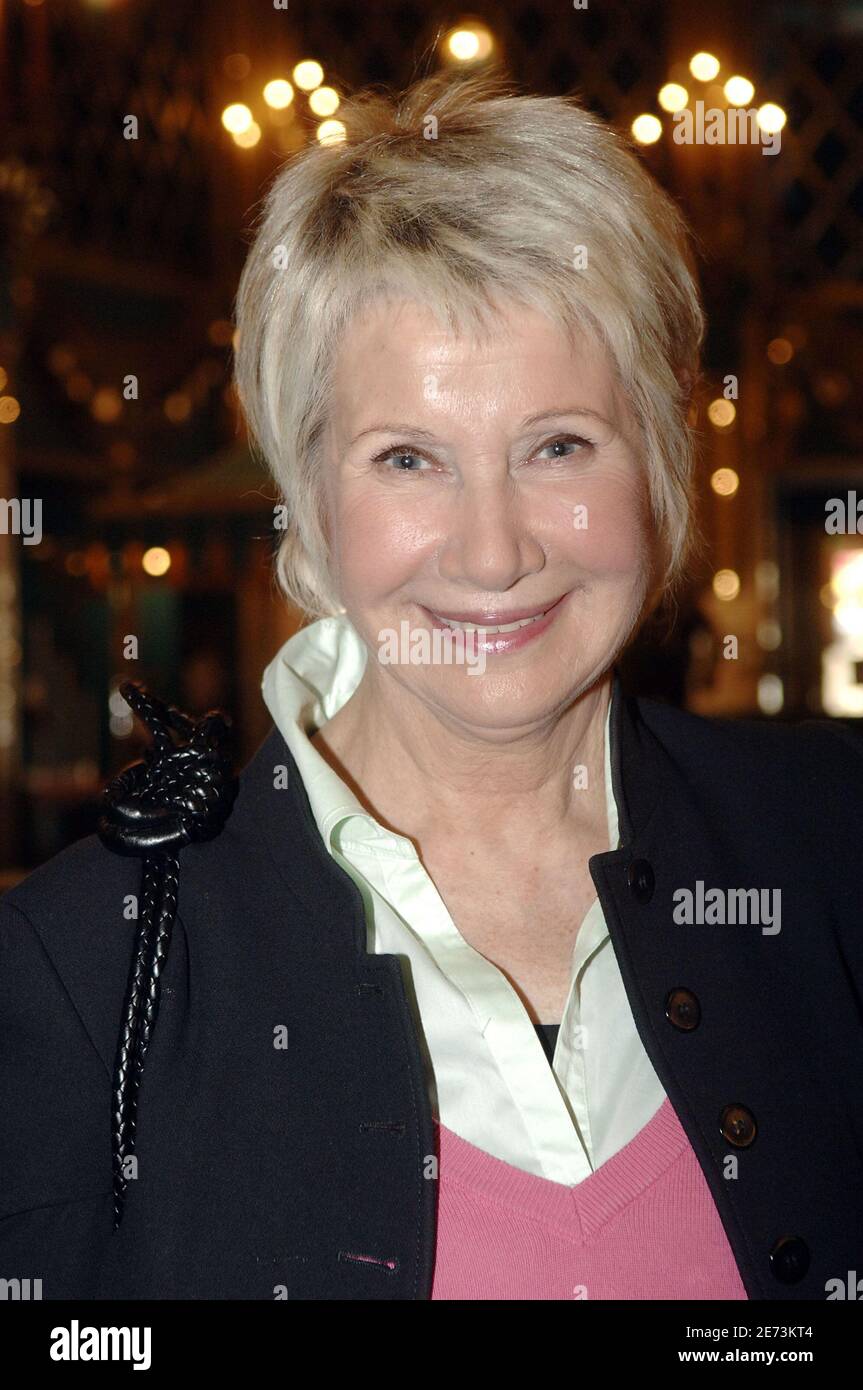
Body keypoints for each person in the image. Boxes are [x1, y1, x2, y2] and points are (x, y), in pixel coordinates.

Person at [2, 73, 862, 1302]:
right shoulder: (79, 968)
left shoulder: (828, 838)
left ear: (662, 468)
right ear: (307, 503)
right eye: (407, 458)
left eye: (556, 444)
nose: (493, 551)